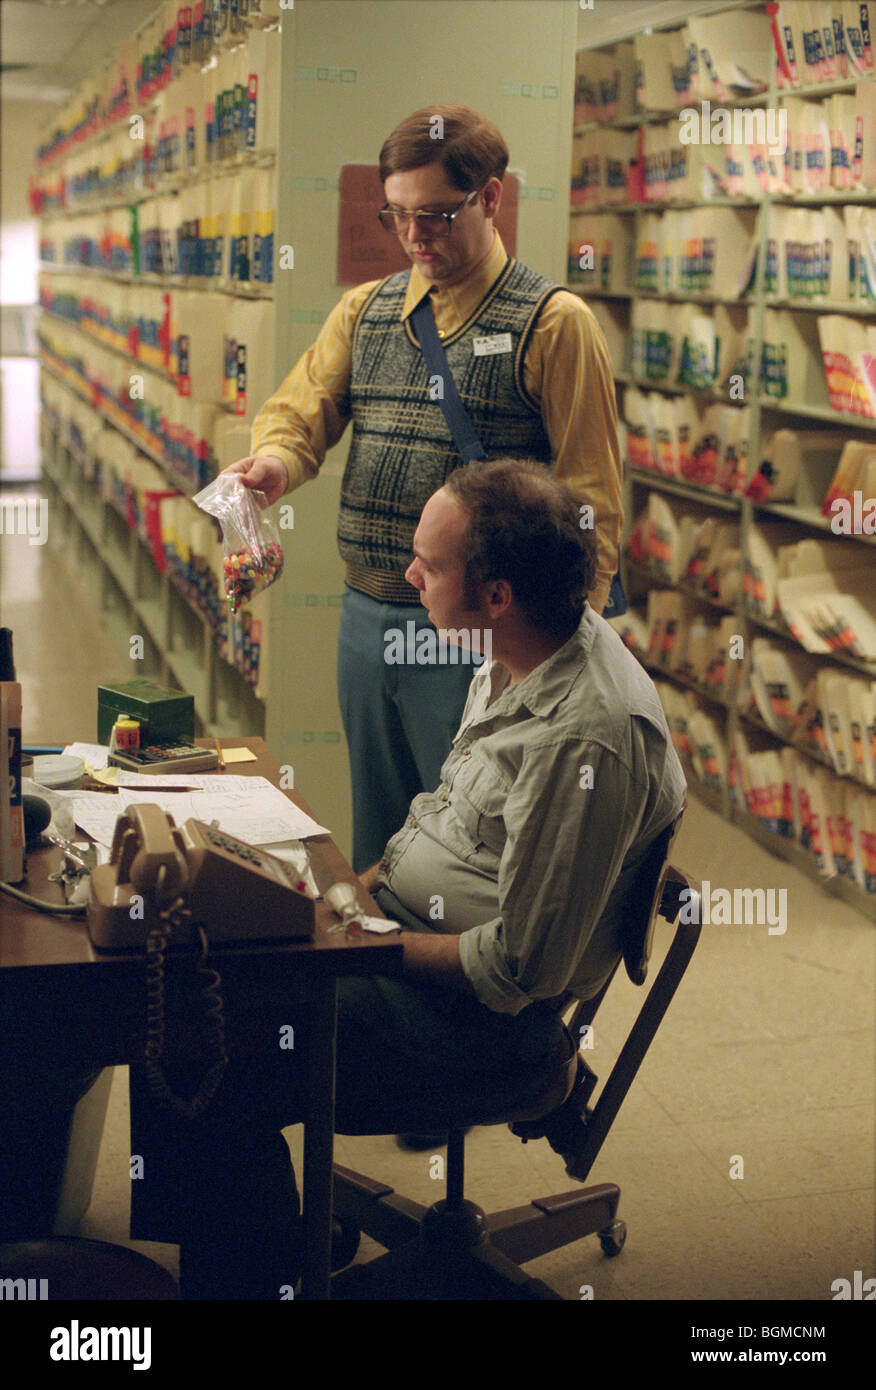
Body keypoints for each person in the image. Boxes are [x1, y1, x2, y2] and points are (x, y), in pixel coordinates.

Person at [128, 459, 685, 1300]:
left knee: (204, 1036)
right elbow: (444, 813)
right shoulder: (521, 646)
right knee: (194, 970)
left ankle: (253, 1274)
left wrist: (367, 946)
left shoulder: (583, 742)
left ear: (496, 593)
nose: (407, 574)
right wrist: (346, 888)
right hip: (402, 937)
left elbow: (515, 972)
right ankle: (263, 1244)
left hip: (480, 1020)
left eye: (428, 562)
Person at [222, 104, 623, 871]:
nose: (414, 238)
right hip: (368, 618)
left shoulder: (553, 324)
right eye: (398, 216)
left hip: (481, 632)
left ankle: (465, 983)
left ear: (492, 198)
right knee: (381, 827)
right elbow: (299, 415)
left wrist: (566, 656)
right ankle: (383, 975)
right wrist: (273, 463)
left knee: (472, 838)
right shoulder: (364, 312)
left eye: (436, 215)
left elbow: (591, 502)